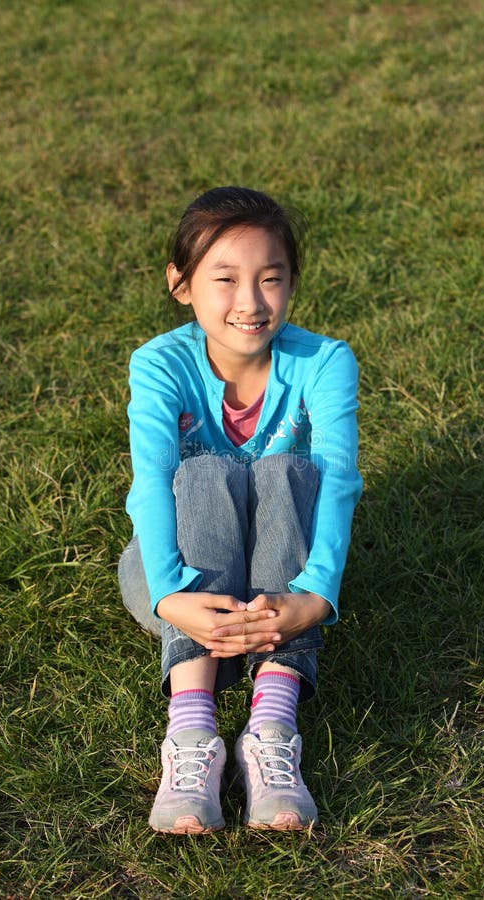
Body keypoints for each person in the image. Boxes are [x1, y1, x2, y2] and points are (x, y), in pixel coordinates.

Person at [118, 186, 362, 834]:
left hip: (281, 568)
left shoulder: (326, 361)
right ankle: (193, 736)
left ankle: (271, 729)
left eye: (271, 279)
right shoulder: (159, 364)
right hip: (175, 567)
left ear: (291, 283)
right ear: (181, 283)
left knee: (288, 471)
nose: (251, 302)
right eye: (225, 279)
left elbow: (337, 482)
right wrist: (171, 597)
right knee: (198, 474)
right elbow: (150, 487)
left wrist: (314, 596)